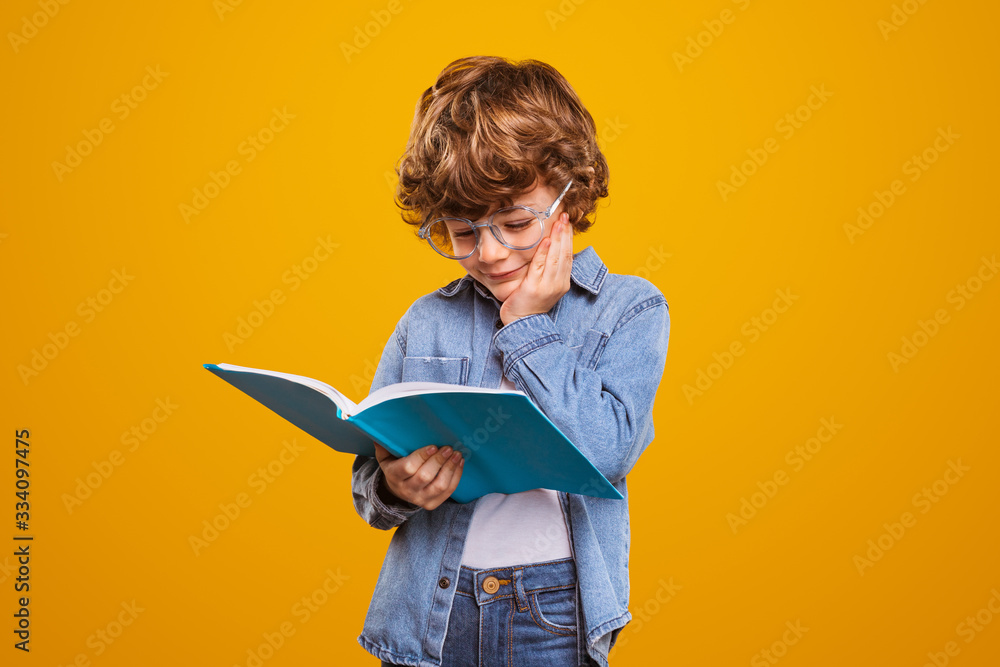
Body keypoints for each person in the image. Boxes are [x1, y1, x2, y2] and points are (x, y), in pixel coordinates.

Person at [351, 56, 670, 667]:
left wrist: (526, 326)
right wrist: (395, 486)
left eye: (516, 223)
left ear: (571, 198)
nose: (491, 253)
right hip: (428, 612)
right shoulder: (426, 320)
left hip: (551, 611)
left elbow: (606, 453)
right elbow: (371, 479)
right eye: (461, 232)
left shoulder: (629, 309)